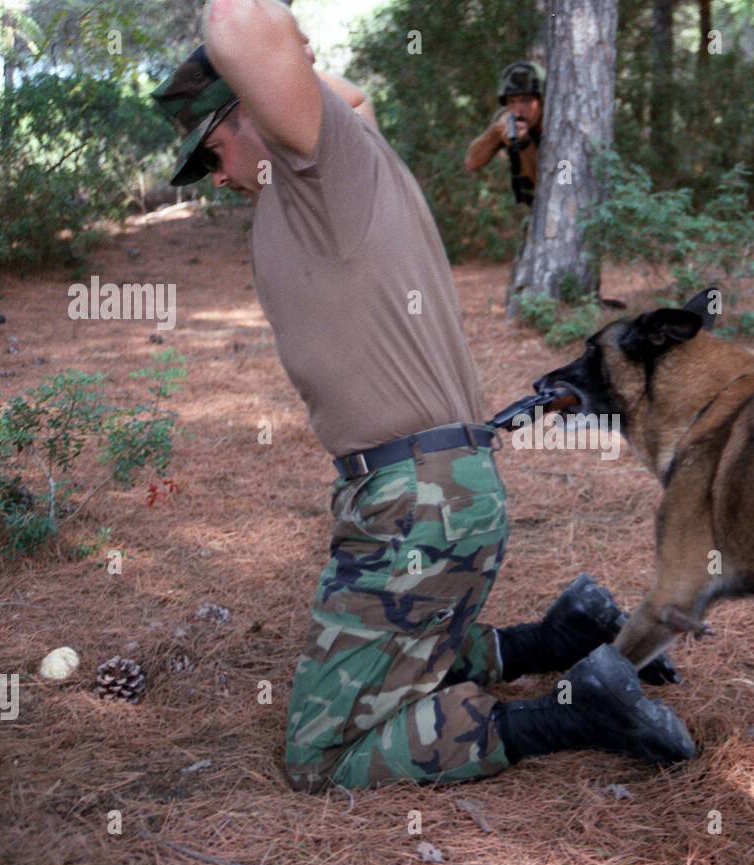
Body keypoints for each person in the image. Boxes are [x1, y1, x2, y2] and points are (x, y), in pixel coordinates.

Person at [149, 0, 691, 794]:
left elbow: (236, 19)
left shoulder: (320, 168)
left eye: (214, 150)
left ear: (255, 111)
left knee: (318, 755)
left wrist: (281, 73)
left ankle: (577, 710)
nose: (215, 175)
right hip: (423, 499)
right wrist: (285, 87)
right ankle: (558, 636)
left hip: (419, 506)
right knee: (384, 649)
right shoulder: (335, 156)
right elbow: (352, 95)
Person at [464, 61, 545, 206]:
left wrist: (524, 145)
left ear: (542, 100)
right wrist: (496, 131)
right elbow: (471, 163)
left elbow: (552, 187)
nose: (518, 111)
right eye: (512, 102)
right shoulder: (508, 119)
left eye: (526, 101)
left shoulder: (558, 126)